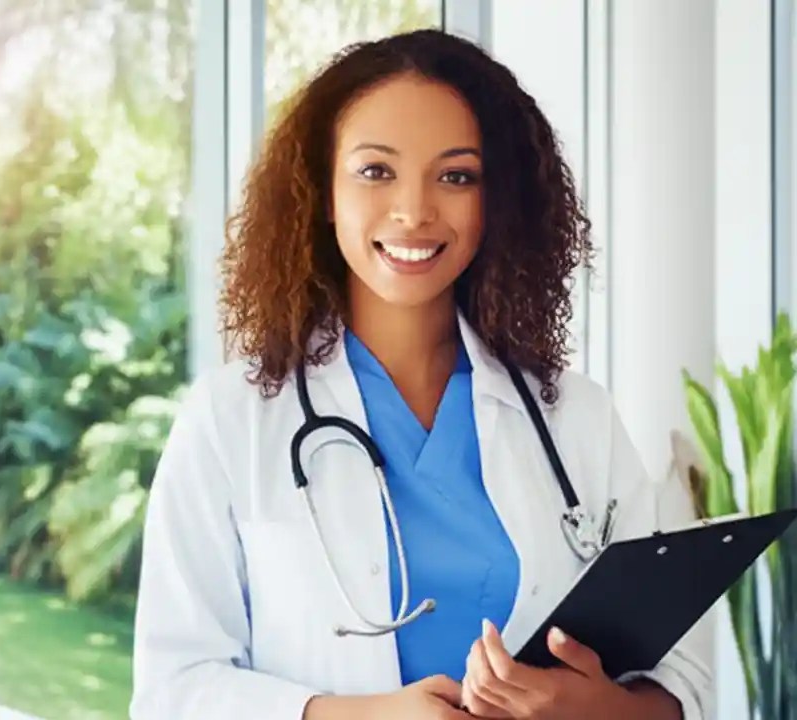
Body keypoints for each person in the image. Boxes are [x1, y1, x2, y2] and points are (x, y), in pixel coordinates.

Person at [129, 28, 712, 720]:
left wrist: (594, 709)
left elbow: (685, 682)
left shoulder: (575, 418)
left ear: (497, 200)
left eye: (457, 175)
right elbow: (171, 691)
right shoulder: (233, 419)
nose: (414, 210)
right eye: (376, 171)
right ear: (322, 191)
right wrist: (363, 716)